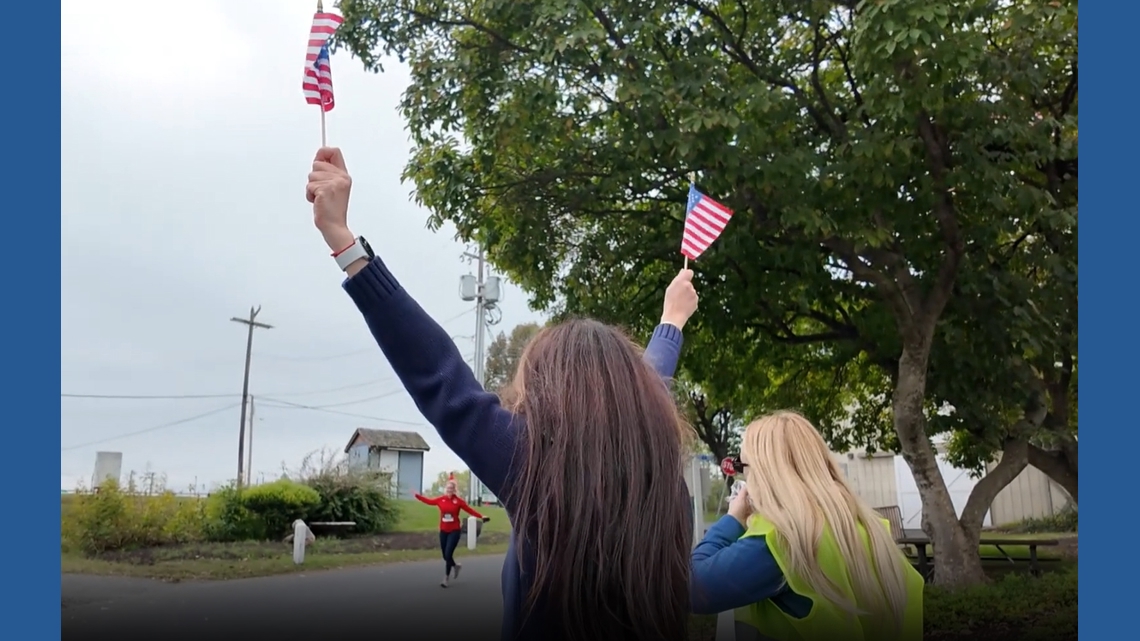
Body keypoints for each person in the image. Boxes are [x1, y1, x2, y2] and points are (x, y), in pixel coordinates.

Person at [306, 147, 698, 641]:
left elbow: (434, 368)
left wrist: (343, 240)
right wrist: (671, 323)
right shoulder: (661, 470)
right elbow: (649, 391)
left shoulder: (530, 462)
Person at [690, 411, 924, 641]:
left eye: (743, 466)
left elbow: (689, 589)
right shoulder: (870, 530)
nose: (743, 478)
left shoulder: (784, 540)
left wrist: (734, 519)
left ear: (765, 473)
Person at [414, 477, 490, 587]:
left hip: (454, 531)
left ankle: (446, 578)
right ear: (446, 489)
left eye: (451, 488)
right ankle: (455, 566)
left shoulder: (458, 502)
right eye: (448, 488)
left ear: (454, 490)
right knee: (445, 556)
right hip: (443, 530)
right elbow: (429, 501)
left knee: (448, 554)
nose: (449, 490)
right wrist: (418, 496)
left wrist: (481, 516)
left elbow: (470, 510)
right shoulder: (441, 500)